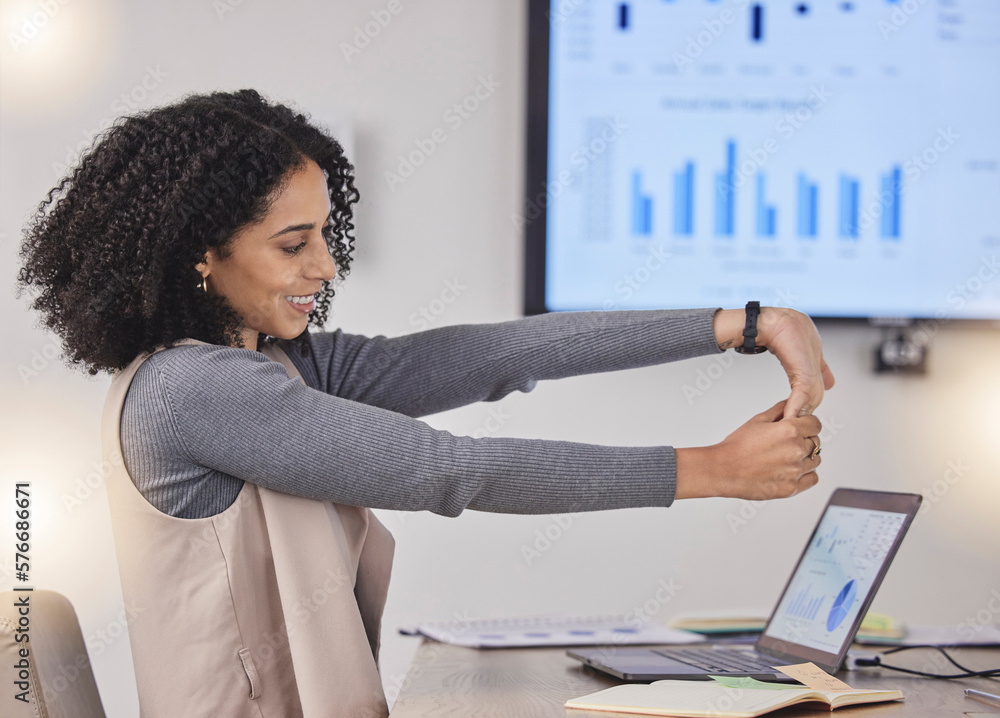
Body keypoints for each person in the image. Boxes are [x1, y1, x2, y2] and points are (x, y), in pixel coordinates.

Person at [17, 89, 834, 717]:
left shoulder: (272, 365)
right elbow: (448, 470)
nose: (326, 267)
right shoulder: (195, 390)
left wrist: (741, 323)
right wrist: (713, 469)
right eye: (294, 244)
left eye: (324, 237)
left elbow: (496, 355)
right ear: (201, 254)